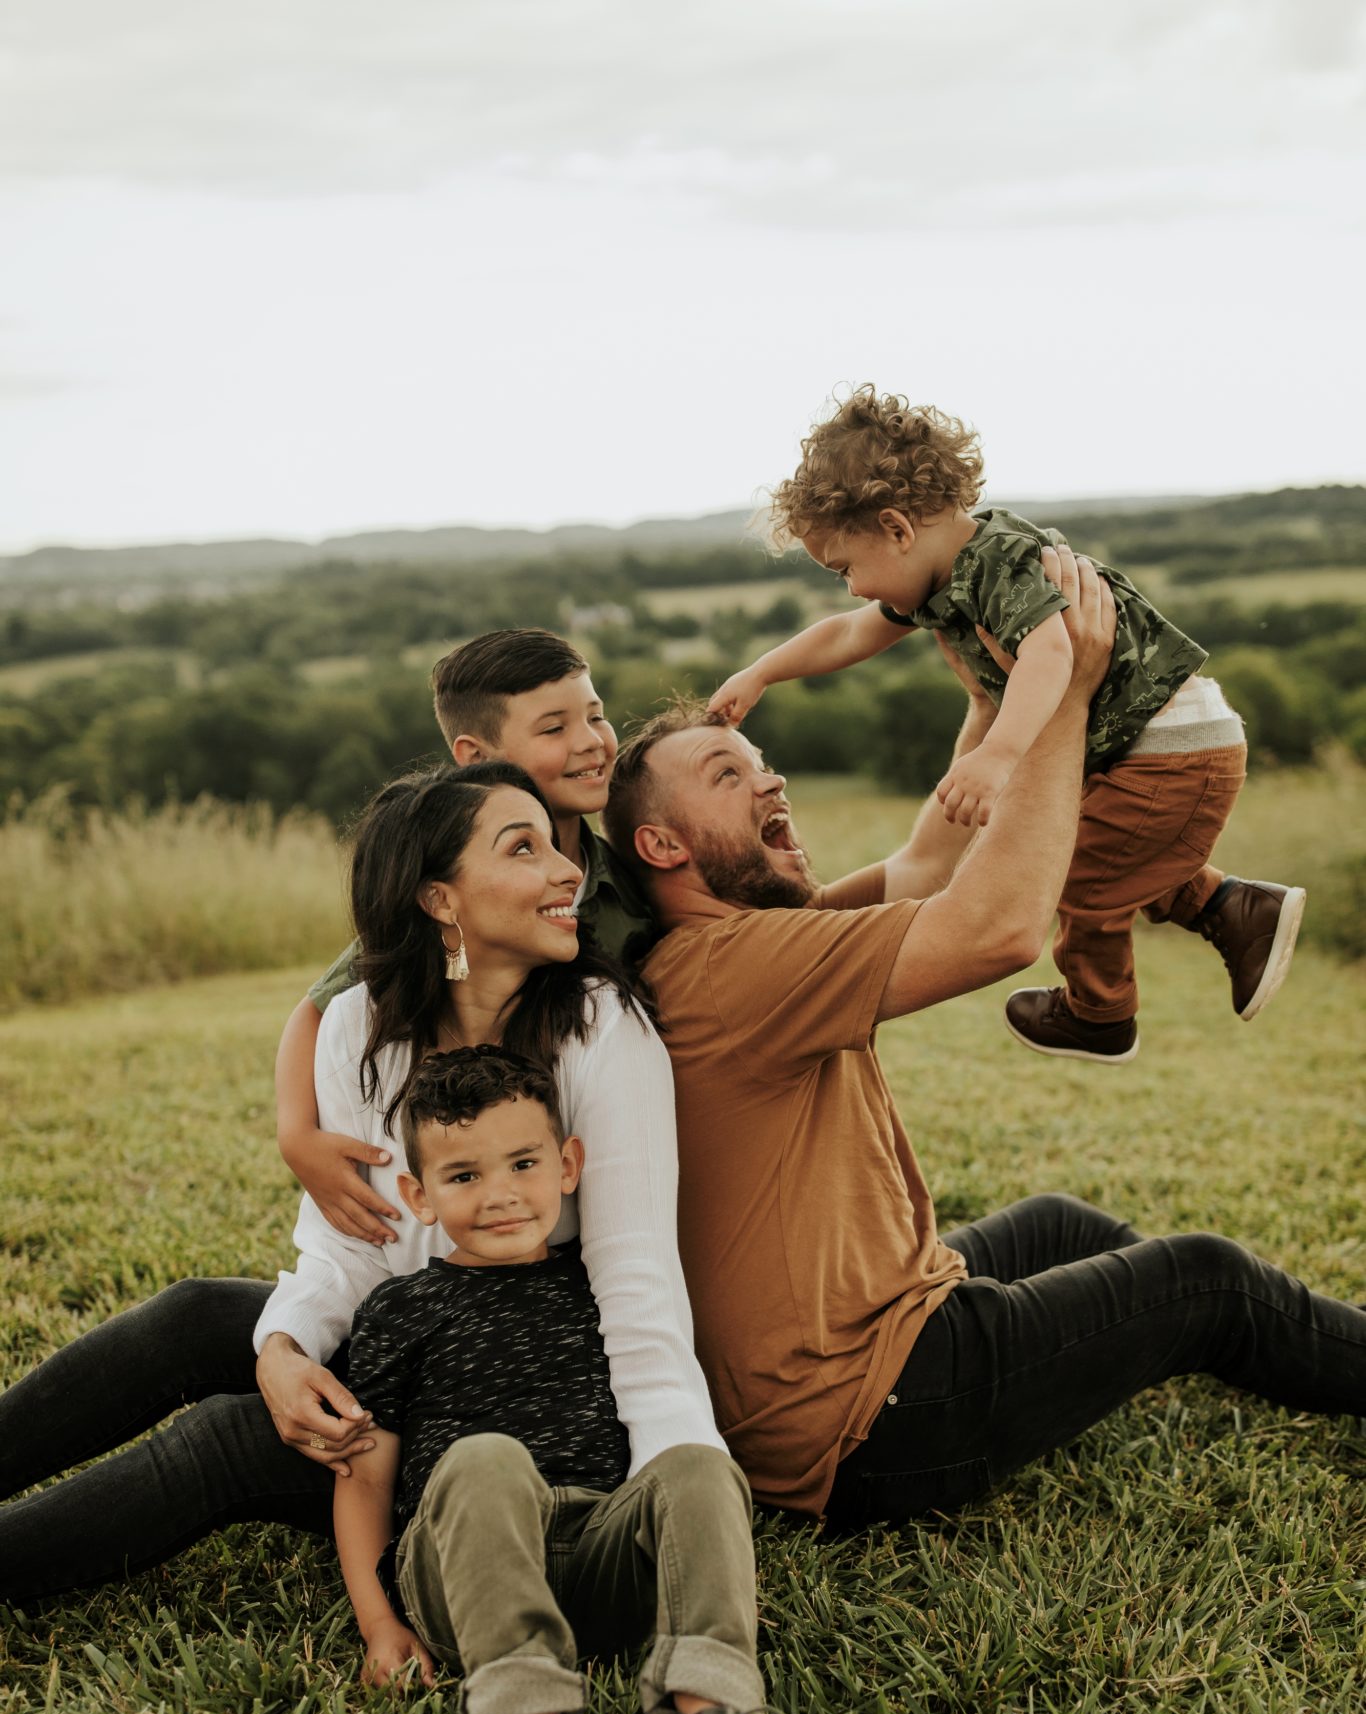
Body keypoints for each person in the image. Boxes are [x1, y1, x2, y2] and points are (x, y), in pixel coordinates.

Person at [602, 546, 1366, 1529]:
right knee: (1203, 1276)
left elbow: (925, 864)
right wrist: (1066, 704)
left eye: (760, 761)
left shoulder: (728, 947)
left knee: (1061, 1224)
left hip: (837, 1379)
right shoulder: (734, 968)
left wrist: (993, 696)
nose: (771, 778)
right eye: (726, 773)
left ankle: (1214, 1344)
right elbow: (998, 927)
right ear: (662, 846)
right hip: (871, 1421)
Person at [0, 761, 725, 1606]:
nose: (569, 869)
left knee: (230, 1439)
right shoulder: (360, 1024)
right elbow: (354, 1243)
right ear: (439, 900)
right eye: (523, 848)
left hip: (535, 1390)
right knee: (197, 1316)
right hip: (424, 1335)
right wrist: (283, 1350)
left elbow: (636, 1277)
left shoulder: (600, 1024)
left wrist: (672, 1478)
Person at [708, 386, 1304, 1064]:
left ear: (898, 529)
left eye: (847, 568)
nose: (852, 589)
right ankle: (1234, 909)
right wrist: (762, 672)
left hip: (1166, 746)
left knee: (1075, 877)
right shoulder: (942, 579)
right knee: (1115, 856)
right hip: (1150, 746)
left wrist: (998, 756)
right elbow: (848, 635)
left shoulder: (997, 562)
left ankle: (1099, 1014)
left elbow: (1055, 654)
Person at [333, 1044, 766, 1714]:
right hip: (470, 1568)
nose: (501, 1194)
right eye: (463, 1174)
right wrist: (380, 1623)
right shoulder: (402, 1312)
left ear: (568, 1165)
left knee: (696, 1463)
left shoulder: (603, 1288)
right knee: (485, 1458)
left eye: (525, 1164)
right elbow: (366, 1475)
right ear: (420, 1197)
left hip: (603, 1556)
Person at [277, 627, 652, 1248]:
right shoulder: (451, 895)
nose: (591, 742)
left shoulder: (630, 886)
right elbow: (324, 1009)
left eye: (596, 715)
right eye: (554, 728)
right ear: (476, 759)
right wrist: (297, 1135)